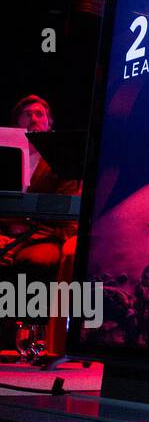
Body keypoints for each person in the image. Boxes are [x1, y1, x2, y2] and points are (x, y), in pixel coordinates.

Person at [0, 96, 79, 358]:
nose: (34, 119)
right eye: (27, 115)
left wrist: (20, 238)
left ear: (49, 123)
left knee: (37, 261)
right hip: (7, 232)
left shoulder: (61, 160)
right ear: (16, 123)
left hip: (45, 236)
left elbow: (65, 210)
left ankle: (30, 337)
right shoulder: (5, 156)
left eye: (39, 115)